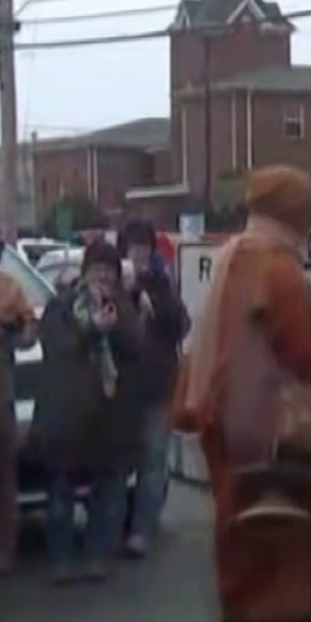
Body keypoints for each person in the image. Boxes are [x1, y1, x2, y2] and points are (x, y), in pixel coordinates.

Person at [171, 166, 311, 622]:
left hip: (230, 427)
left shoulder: (235, 256)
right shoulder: (275, 267)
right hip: (275, 435)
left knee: (255, 552)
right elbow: (308, 356)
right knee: (305, 552)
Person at [34, 240, 144, 584]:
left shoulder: (122, 307)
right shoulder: (63, 305)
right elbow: (56, 345)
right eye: (97, 269)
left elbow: (136, 346)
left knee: (106, 493)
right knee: (61, 492)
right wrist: (92, 329)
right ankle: (61, 561)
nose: (103, 277)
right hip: (67, 416)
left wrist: (117, 321)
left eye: (109, 271)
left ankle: (98, 557)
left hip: (108, 419)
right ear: (85, 272)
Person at [118, 219, 191, 559]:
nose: (138, 253)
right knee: (119, 462)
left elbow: (181, 325)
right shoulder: (113, 283)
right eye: (133, 247)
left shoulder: (162, 283)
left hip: (156, 385)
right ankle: (115, 527)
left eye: (144, 247)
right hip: (119, 389)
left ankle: (142, 530)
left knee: (153, 459)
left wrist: (158, 302)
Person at [0, 243, 36, 581]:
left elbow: (29, 333)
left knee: (2, 476)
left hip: (0, 392)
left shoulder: (10, 287)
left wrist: (9, 333)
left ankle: (2, 551)